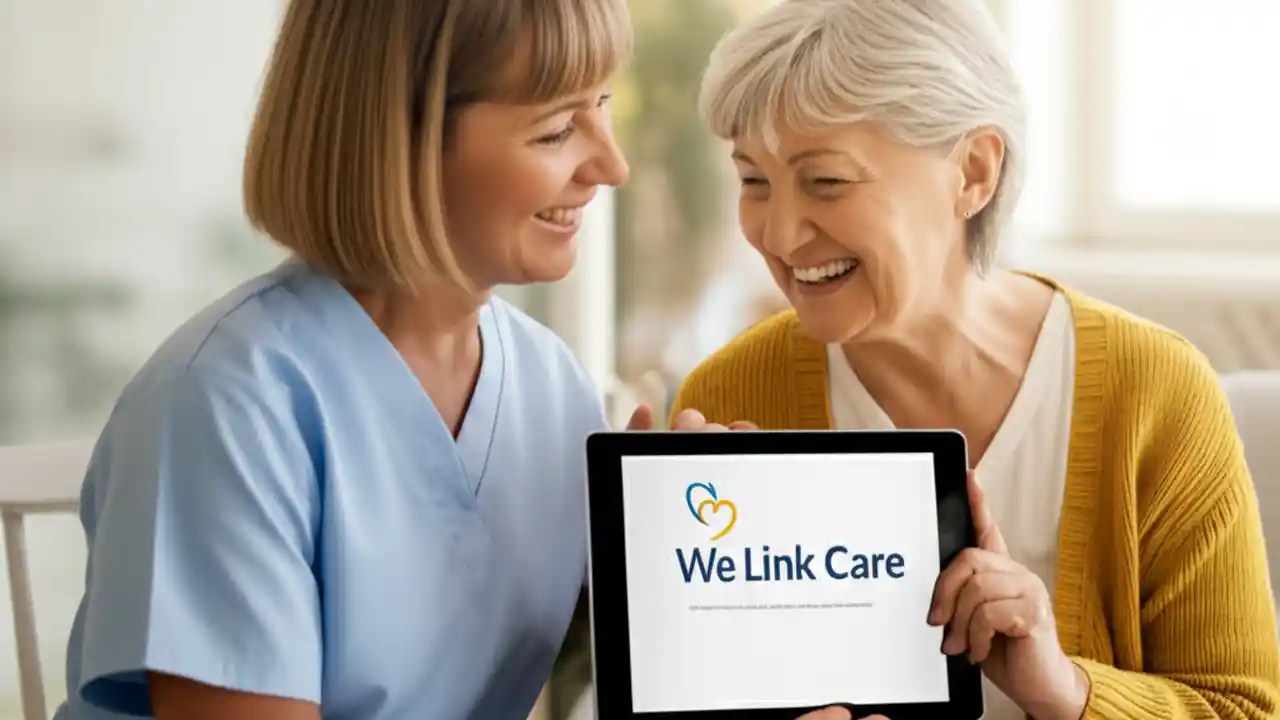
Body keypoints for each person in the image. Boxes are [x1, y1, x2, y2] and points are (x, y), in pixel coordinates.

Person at [52, 2, 854, 719]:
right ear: (396, 141)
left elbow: (620, 674)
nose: (611, 165)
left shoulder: (550, 386)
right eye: (555, 129)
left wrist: (677, 567)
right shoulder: (227, 405)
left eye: (603, 105)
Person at [673, 1, 1280, 719]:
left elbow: (1242, 709)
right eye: (753, 180)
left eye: (826, 181)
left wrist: (1062, 687)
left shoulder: (1157, 393)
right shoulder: (732, 396)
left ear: (973, 170)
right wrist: (677, 602)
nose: (777, 232)